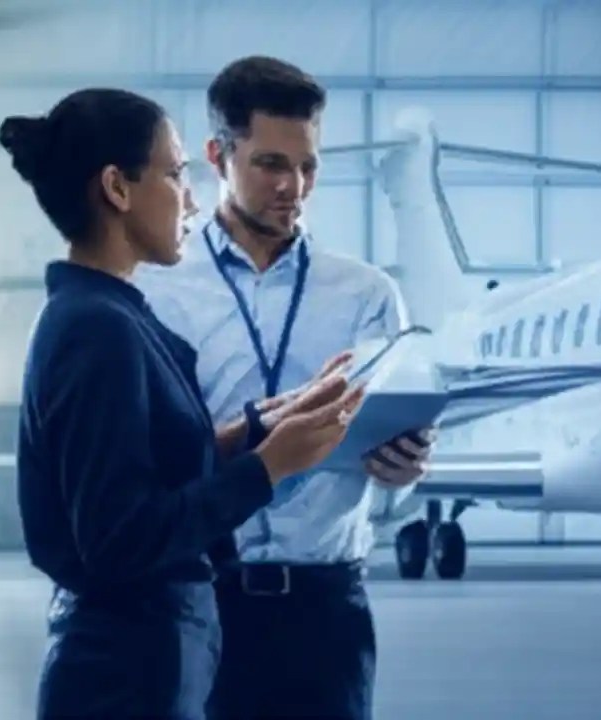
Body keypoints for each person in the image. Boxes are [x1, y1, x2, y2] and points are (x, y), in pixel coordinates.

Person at [1, 87, 367, 720]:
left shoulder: (112, 314)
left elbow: (150, 468)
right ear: (117, 188)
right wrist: (267, 468)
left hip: (144, 670)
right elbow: (120, 539)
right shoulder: (96, 330)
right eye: (174, 175)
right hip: (124, 682)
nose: (192, 199)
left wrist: (262, 426)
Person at [135, 55, 435, 720]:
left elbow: (392, 487)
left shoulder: (367, 294)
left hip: (327, 614)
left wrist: (405, 468)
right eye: (271, 164)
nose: (292, 187)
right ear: (218, 156)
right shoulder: (155, 288)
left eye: (308, 167)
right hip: (197, 602)